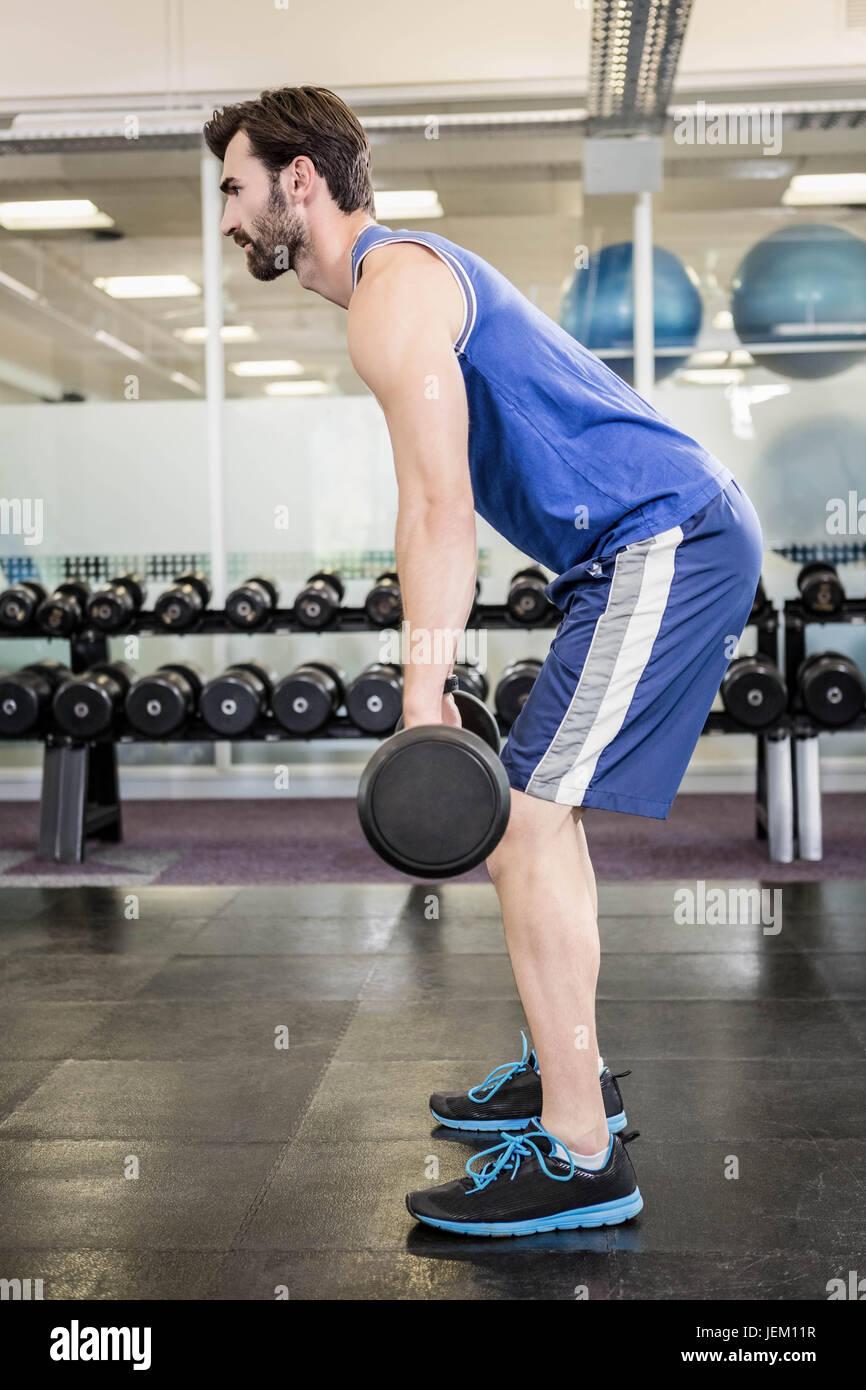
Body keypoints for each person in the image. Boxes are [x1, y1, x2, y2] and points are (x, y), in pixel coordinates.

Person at [204, 86, 764, 1238]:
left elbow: (436, 508)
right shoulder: (400, 282)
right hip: (631, 549)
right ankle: (568, 1076)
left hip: (665, 535)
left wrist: (421, 696)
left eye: (233, 187)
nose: (225, 220)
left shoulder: (392, 287)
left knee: (525, 822)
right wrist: (436, 676)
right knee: (532, 821)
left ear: (295, 181)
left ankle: (578, 1149)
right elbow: (436, 503)